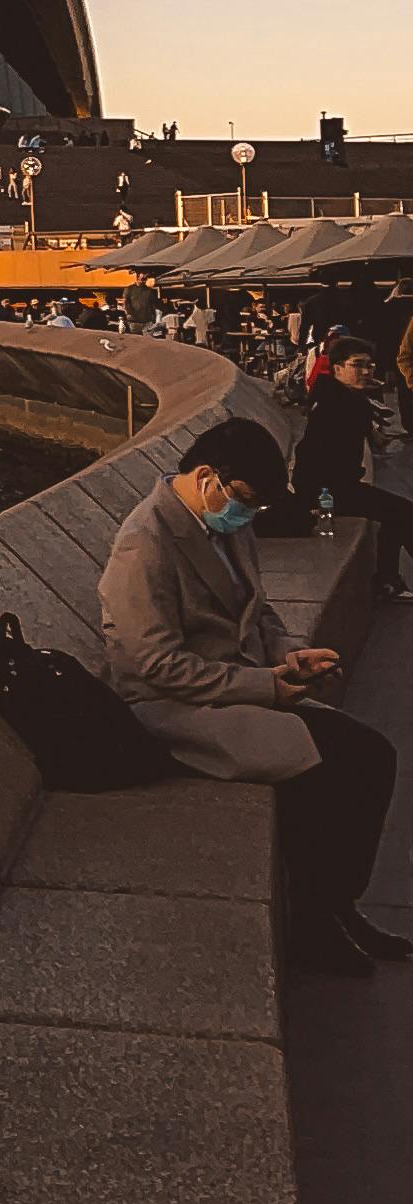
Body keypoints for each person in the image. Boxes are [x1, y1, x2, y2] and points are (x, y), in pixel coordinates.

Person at [104, 419, 406, 977]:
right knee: (322, 764)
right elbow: (155, 665)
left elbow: (258, 610)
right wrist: (266, 685)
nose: (247, 515)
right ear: (206, 477)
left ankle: (340, 906)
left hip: (234, 687)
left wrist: (291, 654)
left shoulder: (224, 523)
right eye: (243, 501)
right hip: (175, 709)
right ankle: (315, 924)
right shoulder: (143, 544)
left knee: (372, 753)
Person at [287, 323, 413, 541]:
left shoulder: (335, 395)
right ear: (337, 368)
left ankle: (387, 574)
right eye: (357, 365)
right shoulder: (338, 404)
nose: (365, 372)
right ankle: (387, 574)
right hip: (327, 493)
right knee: (404, 514)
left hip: (334, 488)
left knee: (399, 514)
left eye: (370, 366)